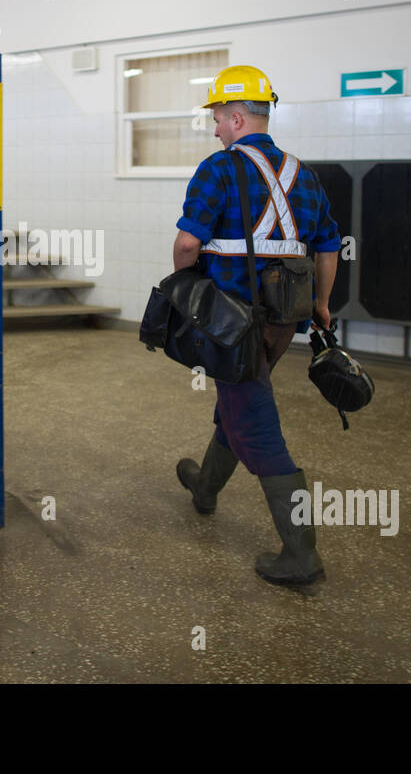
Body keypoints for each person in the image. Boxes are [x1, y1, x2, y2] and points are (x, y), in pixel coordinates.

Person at [172, 65, 341, 588]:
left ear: (238, 116)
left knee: (258, 426)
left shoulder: (218, 170)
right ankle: (205, 487)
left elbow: (186, 245)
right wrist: (322, 303)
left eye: (218, 118)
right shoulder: (303, 173)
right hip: (282, 320)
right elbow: (330, 244)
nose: (216, 129)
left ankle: (300, 553)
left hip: (231, 323)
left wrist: (185, 294)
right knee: (240, 398)